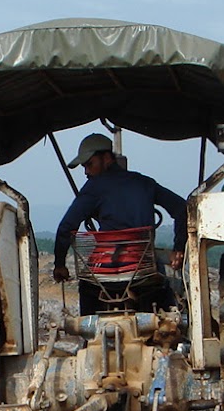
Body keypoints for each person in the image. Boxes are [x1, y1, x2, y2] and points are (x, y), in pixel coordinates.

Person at [53, 133, 188, 312]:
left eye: (89, 164)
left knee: (86, 288)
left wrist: (60, 265)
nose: (86, 171)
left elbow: (66, 227)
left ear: (107, 158)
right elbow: (181, 208)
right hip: (143, 270)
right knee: (163, 290)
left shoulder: (93, 188)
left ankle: (88, 334)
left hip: (104, 274)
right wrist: (179, 248)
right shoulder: (144, 183)